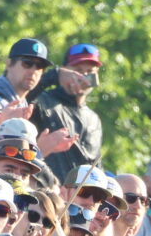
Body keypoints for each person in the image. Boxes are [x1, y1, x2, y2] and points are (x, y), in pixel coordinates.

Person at [31, 43, 104, 183]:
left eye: (90, 71)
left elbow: (96, 165)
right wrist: (54, 75)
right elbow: (22, 95)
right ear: (66, 71)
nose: (84, 76)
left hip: (80, 193)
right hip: (45, 189)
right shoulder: (42, 101)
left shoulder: (94, 119)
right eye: (78, 70)